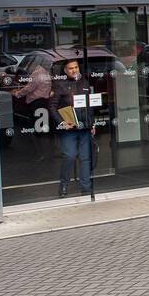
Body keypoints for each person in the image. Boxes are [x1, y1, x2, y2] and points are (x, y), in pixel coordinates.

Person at [51, 59, 96, 198]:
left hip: (84, 127)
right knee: (69, 156)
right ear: (65, 71)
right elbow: (52, 107)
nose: (74, 70)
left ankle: (86, 187)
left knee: (85, 158)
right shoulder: (59, 85)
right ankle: (64, 185)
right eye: (70, 68)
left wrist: (92, 123)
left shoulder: (84, 83)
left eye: (76, 67)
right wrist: (62, 122)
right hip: (69, 129)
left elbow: (90, 105)